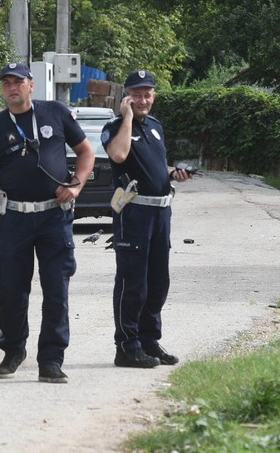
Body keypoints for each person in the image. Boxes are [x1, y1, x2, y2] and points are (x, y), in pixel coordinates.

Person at [0, 62, 94, 383]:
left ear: (31, 85)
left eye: (18, 82)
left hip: (54, 218)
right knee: (11, 291)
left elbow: (86, 152)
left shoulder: (55, 113)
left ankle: (51, 360)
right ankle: (14, 350)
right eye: (6, 83)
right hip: (13, 218)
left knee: (57, 290)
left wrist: (76, 184)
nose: (12, 88)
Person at [103, 70, 192, 370]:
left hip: (160, 212)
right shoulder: (116, 127)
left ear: (154, 96)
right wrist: (126, 117)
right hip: (135, 213)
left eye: (147, 94)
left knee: (157, 282)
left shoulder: (155, 127)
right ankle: (127, 346)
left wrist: (173, 172)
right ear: (127, 96)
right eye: (136, 94)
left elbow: (155, 166)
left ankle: (149, 340)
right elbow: (118, 155)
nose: (142, 100)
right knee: (133, 283)